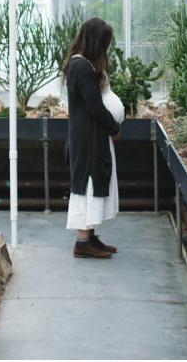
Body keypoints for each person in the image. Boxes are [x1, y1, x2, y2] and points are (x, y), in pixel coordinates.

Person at [62, 17, 125, 259]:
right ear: (95, 41)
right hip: (88, 138)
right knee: (87, 186)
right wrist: (113, 128)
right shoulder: (80, 66)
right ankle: (82, 243)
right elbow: (94, 106)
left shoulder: (84, 63)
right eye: (104, 42)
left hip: (92, 135)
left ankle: (89, 237)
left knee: (94, 182)